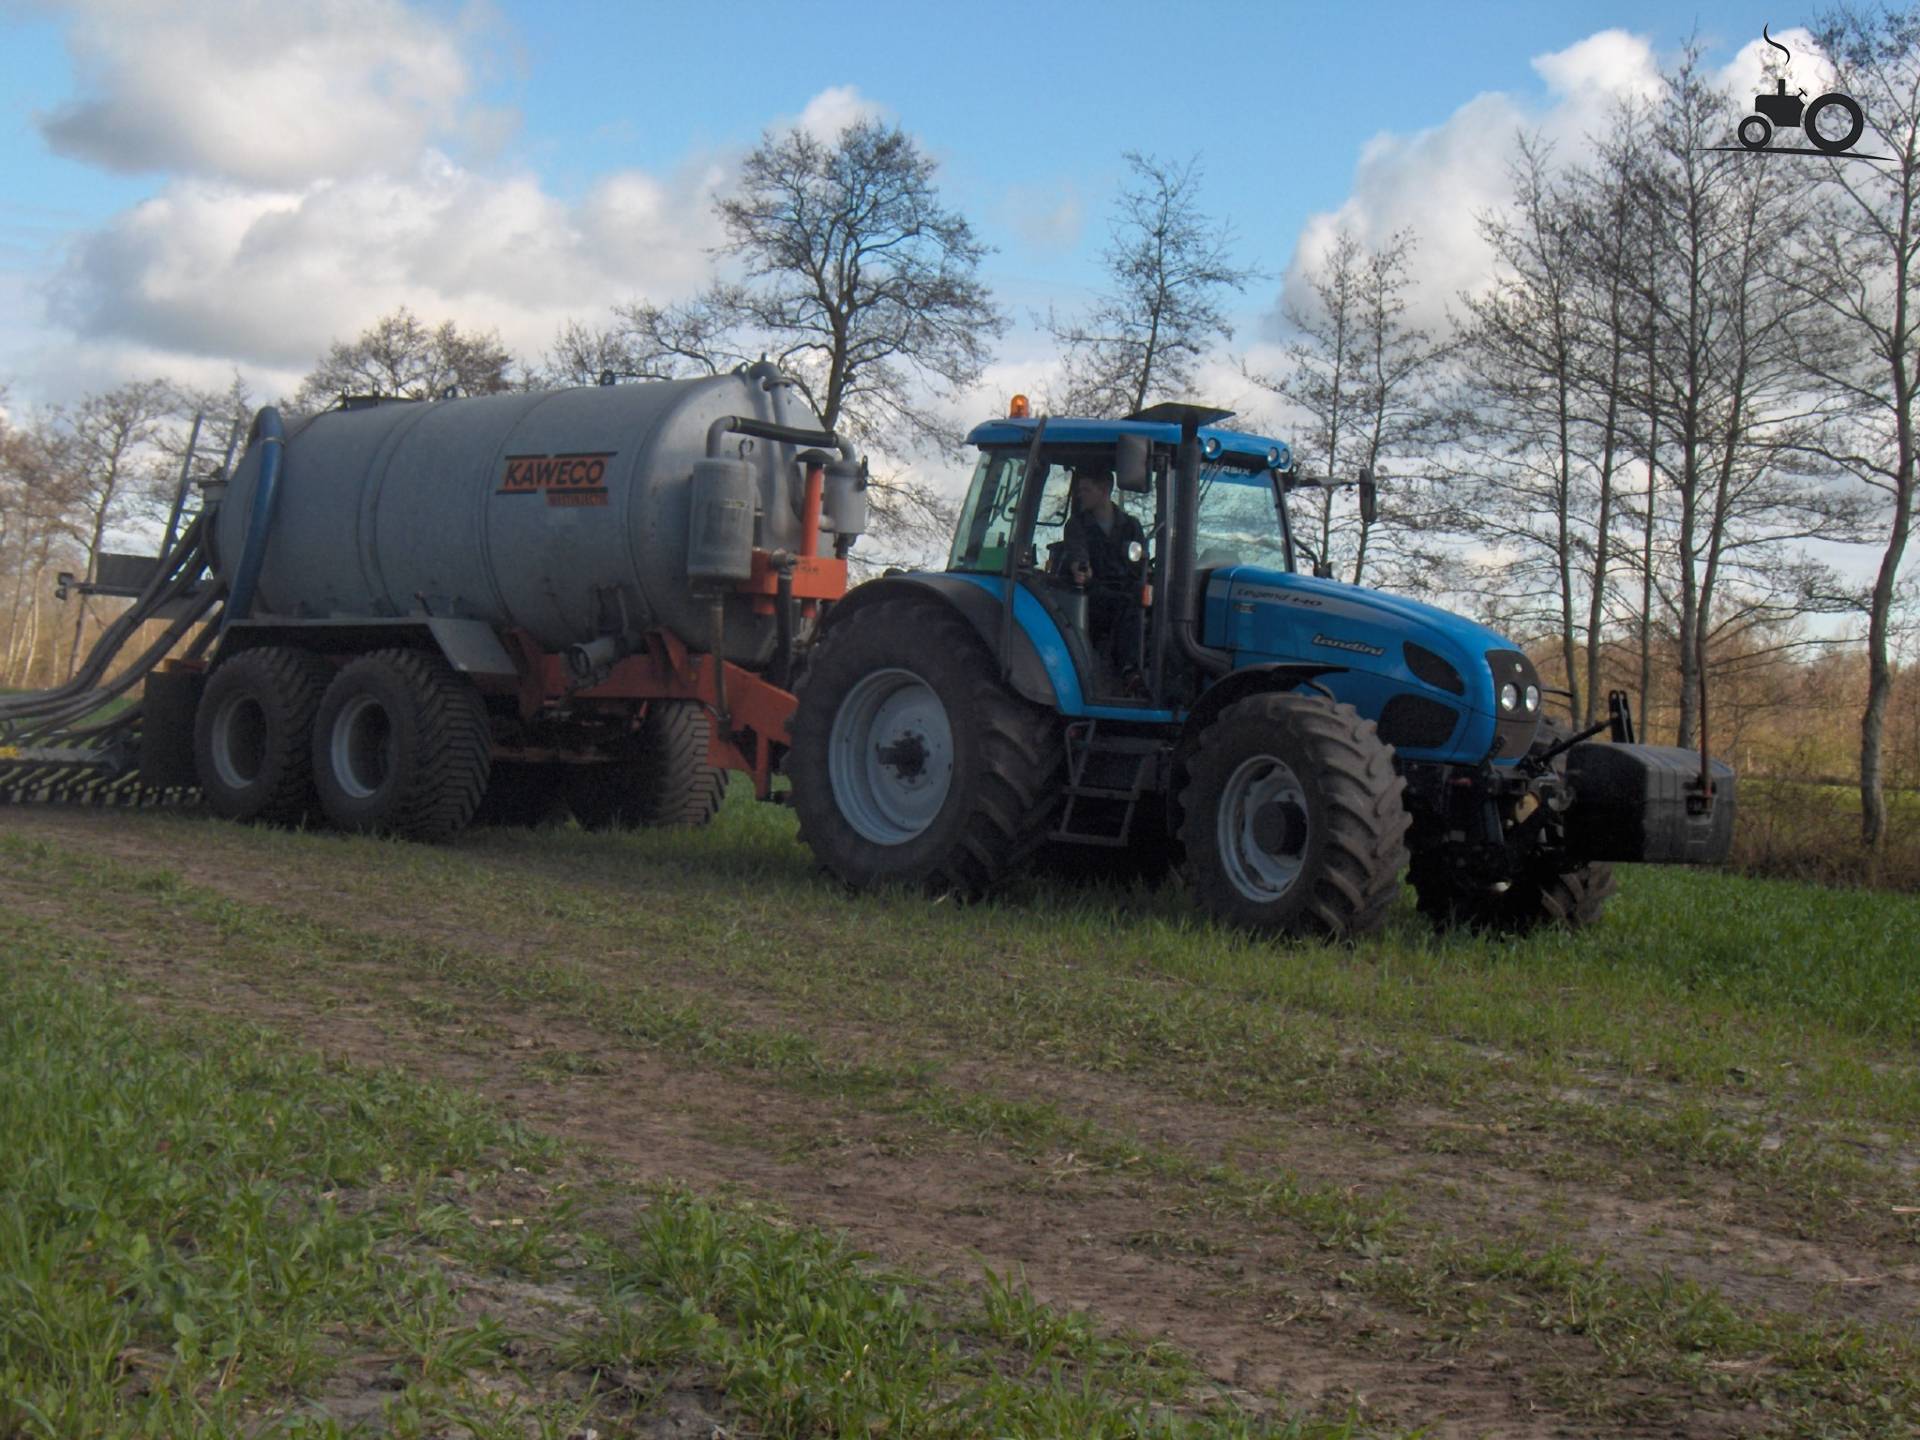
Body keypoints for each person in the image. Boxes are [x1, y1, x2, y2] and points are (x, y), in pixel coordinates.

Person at [1059, 466, 1147, 690]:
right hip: (1092, 593)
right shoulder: (1077, 525)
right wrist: (1081, 569)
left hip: (1125, 589)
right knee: (1127, 605)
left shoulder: (1131, 526)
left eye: (1086, 490)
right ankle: (1129, 669)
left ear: (1105, 490)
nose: (1080, 495)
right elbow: (1077, 551)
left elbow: (1140, 563)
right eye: (1081, 490)